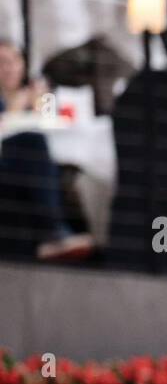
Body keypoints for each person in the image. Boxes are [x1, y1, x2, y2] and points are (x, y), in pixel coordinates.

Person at [0, 42, 94, 260]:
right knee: (33, 143)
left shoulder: (34, 91)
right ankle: (53, 232)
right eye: (2, 62)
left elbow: (50, 118)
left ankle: (59, 233)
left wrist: (39, 103)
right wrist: (17, 106)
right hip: (10, 161)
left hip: (33, 162)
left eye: (14, 61)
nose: (9, 68)